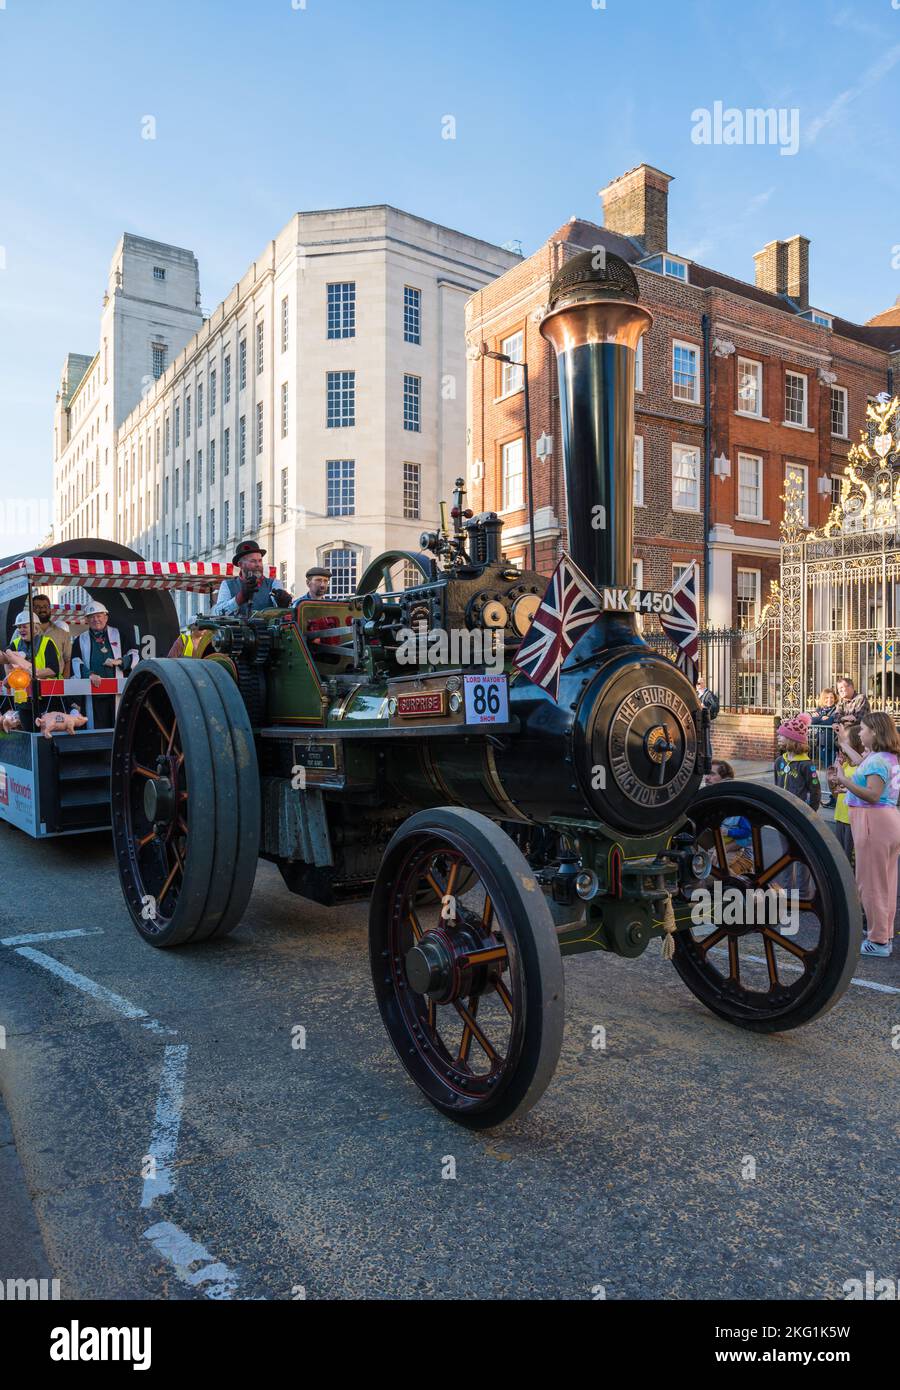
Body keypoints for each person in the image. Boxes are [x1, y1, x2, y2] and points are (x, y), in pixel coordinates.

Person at [830, 711, 900, 957]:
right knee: (885, 883)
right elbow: (861, 763)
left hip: (873, 822)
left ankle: (879, 940)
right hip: (886, 820)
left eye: (864, 730)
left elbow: (871, 793)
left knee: (870, 885)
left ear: (875, 732)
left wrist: (843, 780)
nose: (860, 733)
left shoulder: (878, 760)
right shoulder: (884, 757)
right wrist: (843, 745)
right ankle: (883, 934)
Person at [71, 600, 138, 729]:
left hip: (116, 694)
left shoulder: (119, 635)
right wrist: (89, 674)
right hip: (93, 695)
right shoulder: (81, 639)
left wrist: (120, 661)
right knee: (94, 727)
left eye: (99, 616)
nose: (96, 620)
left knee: (118, 727)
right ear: (87, 620)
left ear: (106, 617)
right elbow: (75, 661)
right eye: (91, 617)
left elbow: (134, 655)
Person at [2, 608, 62, 730]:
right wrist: (10, 675)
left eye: (24, 626)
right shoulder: (15, 643)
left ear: (35, 627)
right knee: (28, 732)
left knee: (47, 732)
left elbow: (54, 670)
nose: (20, 630)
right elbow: (6, 657)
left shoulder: (46, 642)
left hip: (47, 698)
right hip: (24, 700)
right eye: (19, 627)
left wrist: (33, 673)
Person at [211, 541, 292, 616]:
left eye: (260, 561)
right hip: (238, 631)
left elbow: (281, 610)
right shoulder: (227, 585)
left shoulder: (274, 583)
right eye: (253, 561)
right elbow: (218, 613)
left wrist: (282, 602)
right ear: (240, 564)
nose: (258, 565)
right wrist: (240, 598)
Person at [704, 760, 753, 874]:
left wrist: (721, 848)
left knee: (718, 873)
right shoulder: (710, 800)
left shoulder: (737, 806)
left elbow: (747, 837)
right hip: (719, 847)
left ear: (726, 780)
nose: (706, 778)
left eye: (712, 774)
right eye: (706, 773)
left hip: (742, 855)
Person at [827, 716, 864, 862]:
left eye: (846, 740)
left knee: (851, 860)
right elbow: (835, 793)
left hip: (852, 819)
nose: (843, 744)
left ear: (854, 743)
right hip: (840, 816)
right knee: (841, 858)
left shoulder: (861, 766)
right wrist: (831, 781)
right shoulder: (845, 763)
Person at [31, 592, 73, 677]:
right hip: (31, 680)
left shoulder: (62, 633)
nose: (42, 609)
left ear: (50, 609)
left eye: (45, 607)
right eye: (38, 607)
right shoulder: (23, 631)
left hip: (55, 682)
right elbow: (11, 657)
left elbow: (68, 660)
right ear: (32, 610)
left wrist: (64, 682)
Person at [811, 687, 839, 804]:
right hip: (822, 745)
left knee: (835, 772)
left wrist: (823, 719)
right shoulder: (820, 709)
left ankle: (836, 799)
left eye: (832, 697)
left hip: (834, 745)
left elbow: (831, 721)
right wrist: (822, 718)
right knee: (829, 772)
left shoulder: (837, 709)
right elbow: (812, 720)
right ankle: (833, 798)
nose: (829, 700)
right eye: (827, 697)